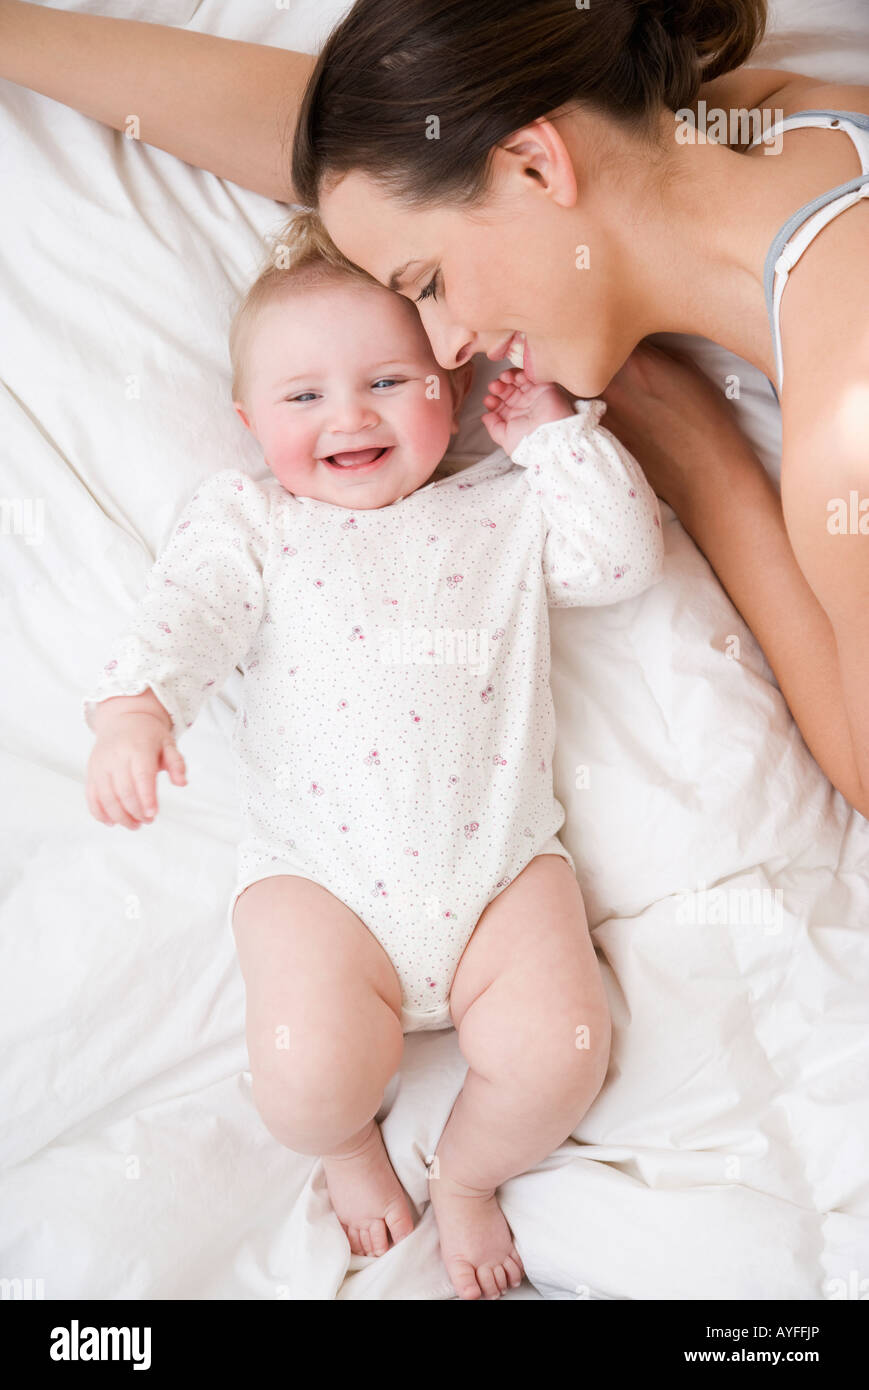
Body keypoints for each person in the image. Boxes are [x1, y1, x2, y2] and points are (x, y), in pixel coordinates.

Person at [4, 0, 863, 815]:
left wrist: (706, 465)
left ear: (535, 164)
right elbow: (375, 154)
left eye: (429, 284)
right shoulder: (790, 123)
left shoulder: (844, 442)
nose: (448, 349)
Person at [82, 211, 662, 1299]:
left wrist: (551, 436)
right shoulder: (255, 522)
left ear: (450, 381)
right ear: (250, 420)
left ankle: (469, 1176)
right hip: (322, 881)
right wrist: (136, 709)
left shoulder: (503, 506)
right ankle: (353, 1146)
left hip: (498, 872)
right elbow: (189, 611)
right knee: (302, 1080)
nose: (348, 415)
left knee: (560, 1053)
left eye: (388, 381)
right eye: (303, 398)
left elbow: (621, 561)